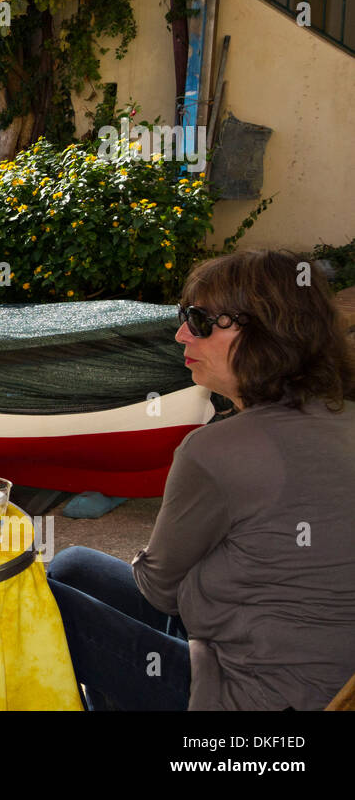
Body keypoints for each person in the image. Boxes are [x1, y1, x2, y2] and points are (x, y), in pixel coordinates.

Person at [47, 249, 355, 711]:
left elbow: (159, 588)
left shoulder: (218, 450)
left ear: (266, 332)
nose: (181, 334)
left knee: (35, 604)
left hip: (249, 693)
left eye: (201, 320)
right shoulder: (341, 418)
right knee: (71, 565)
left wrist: (200, 570)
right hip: (325, 674)